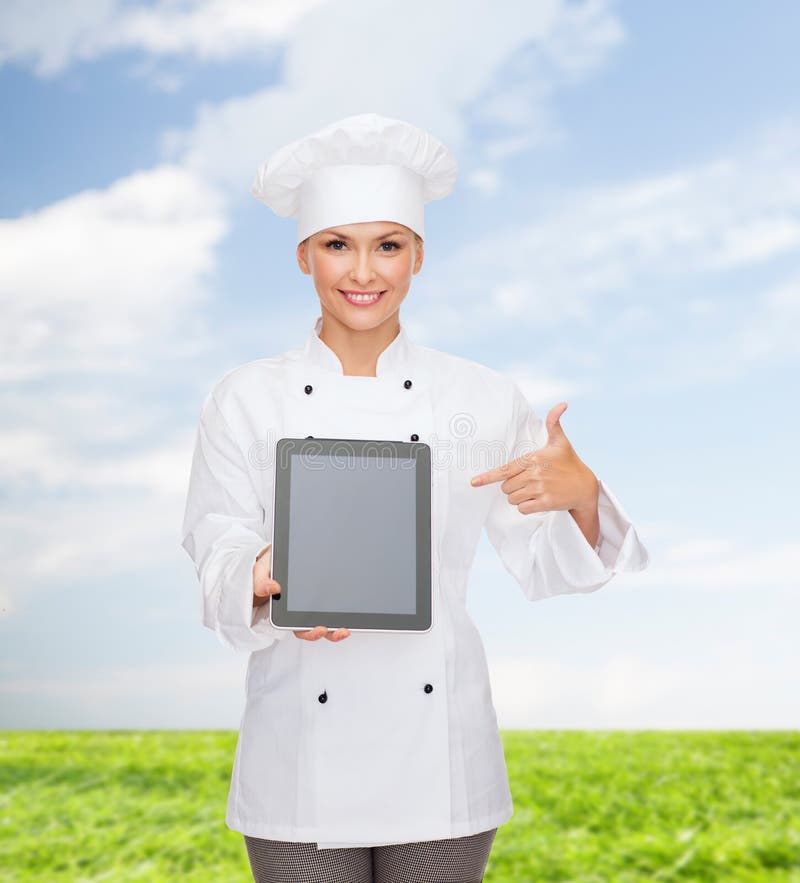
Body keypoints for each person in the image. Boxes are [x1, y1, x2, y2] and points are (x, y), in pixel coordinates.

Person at [180, 112, 650, 883]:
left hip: (439, 756)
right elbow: (216, 540)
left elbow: (543, 565)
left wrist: (582, 495)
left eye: (388, 245)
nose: (363, 271)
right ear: (303, 255)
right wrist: (258, 573)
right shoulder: (244, 398)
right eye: (338, 244)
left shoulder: (482, 397)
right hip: (298, 754)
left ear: (419, 255)